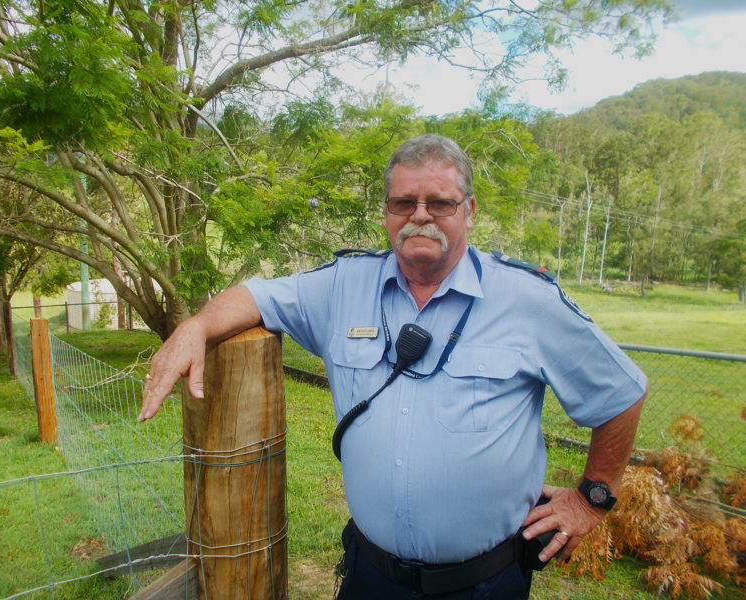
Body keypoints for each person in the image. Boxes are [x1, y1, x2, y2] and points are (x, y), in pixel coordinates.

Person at [139, 134, 647, 599]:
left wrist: (591, 499)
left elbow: (620, 392)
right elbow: (253, 295)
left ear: (468, 211)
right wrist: (195, 328)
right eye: (404, 202)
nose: (419, 215)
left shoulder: (526, 300)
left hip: (483, 584)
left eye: (439, 203)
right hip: (371, 577)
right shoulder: (341, 286)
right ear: (385, 213)